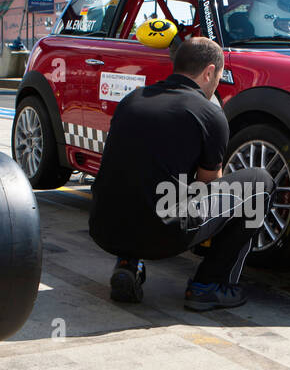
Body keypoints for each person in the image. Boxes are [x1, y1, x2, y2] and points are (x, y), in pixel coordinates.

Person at [88, 37, 274, 311]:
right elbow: (209, 185)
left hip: (104, 229)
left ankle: (129, 264)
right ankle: (210, 284)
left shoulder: (132, 100)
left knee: (141, 182)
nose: (216, 85)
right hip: (163, 237)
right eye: (218, 78)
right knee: (260, 183)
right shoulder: (210, 114)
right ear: (209, 71)